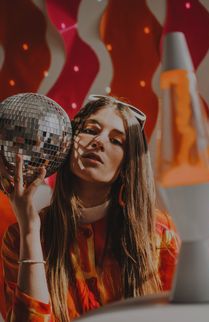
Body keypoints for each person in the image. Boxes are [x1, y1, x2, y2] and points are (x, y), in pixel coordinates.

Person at [0, 94, 179, 322]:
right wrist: (30, 231)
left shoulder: (159, 232)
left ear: (127, 165)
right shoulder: (19, 238)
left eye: (116, 141)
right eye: (91, 130)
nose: (99, 141)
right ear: (66, 143)